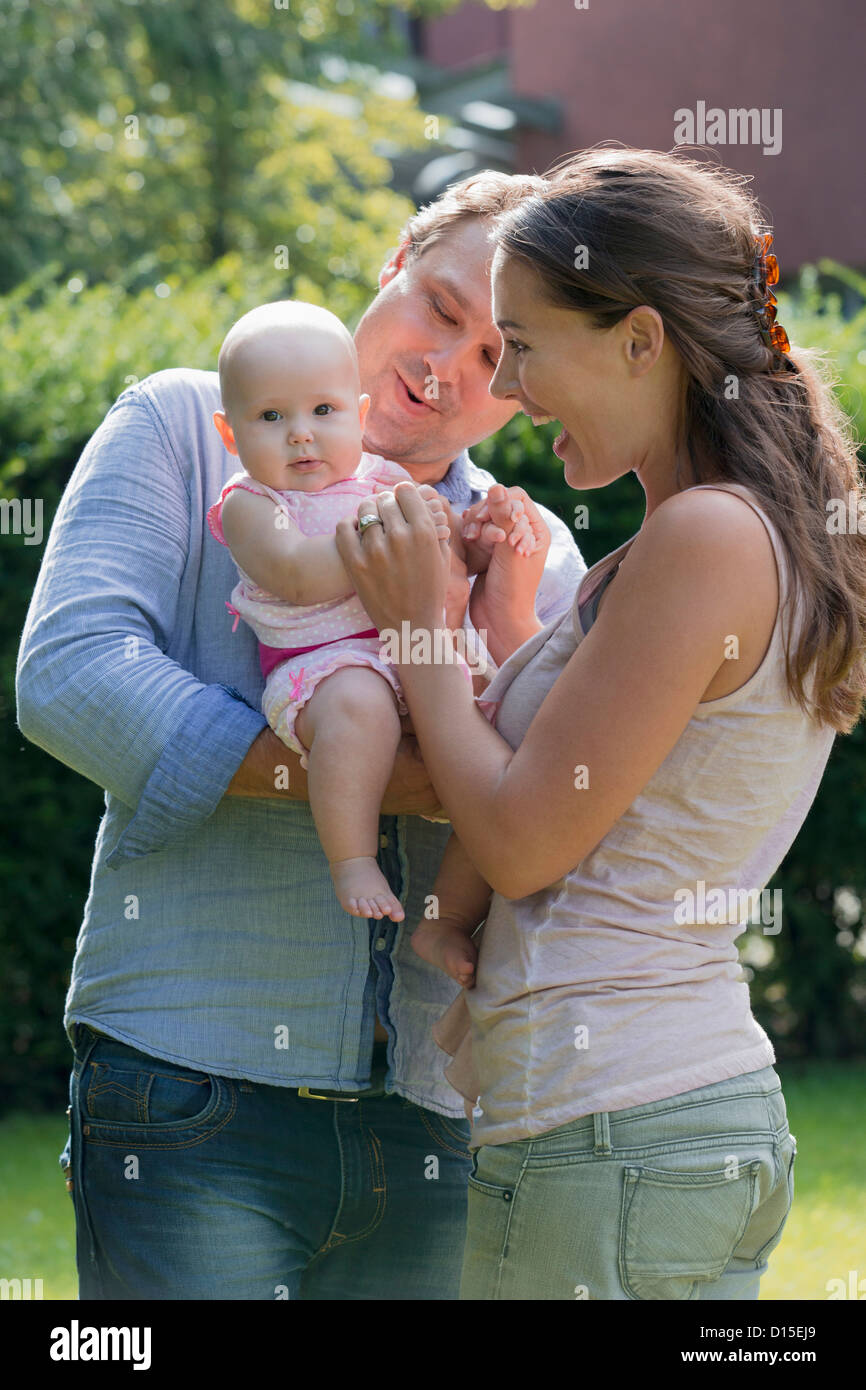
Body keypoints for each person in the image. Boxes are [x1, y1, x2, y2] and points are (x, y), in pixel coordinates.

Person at [15, 170, 587, 1299]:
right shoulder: (185, 429)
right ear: (387, 271)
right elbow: (71, 674)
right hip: (187, 1085)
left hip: (434, 1122)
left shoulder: (532, 554)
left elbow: (553, 813)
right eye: (436, 307)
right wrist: (369, 776)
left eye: (494, 353)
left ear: (524, 385)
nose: (443, 367)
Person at [334, 147, 866, 1300]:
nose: (509, 388)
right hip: (678, 1125)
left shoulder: (704, 541)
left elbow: (527, 837)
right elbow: (586, 782)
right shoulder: (720, 537)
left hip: (607, 1130)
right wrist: (509, 628)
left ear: (638, 338)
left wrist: (421, 627)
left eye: (520, 344)